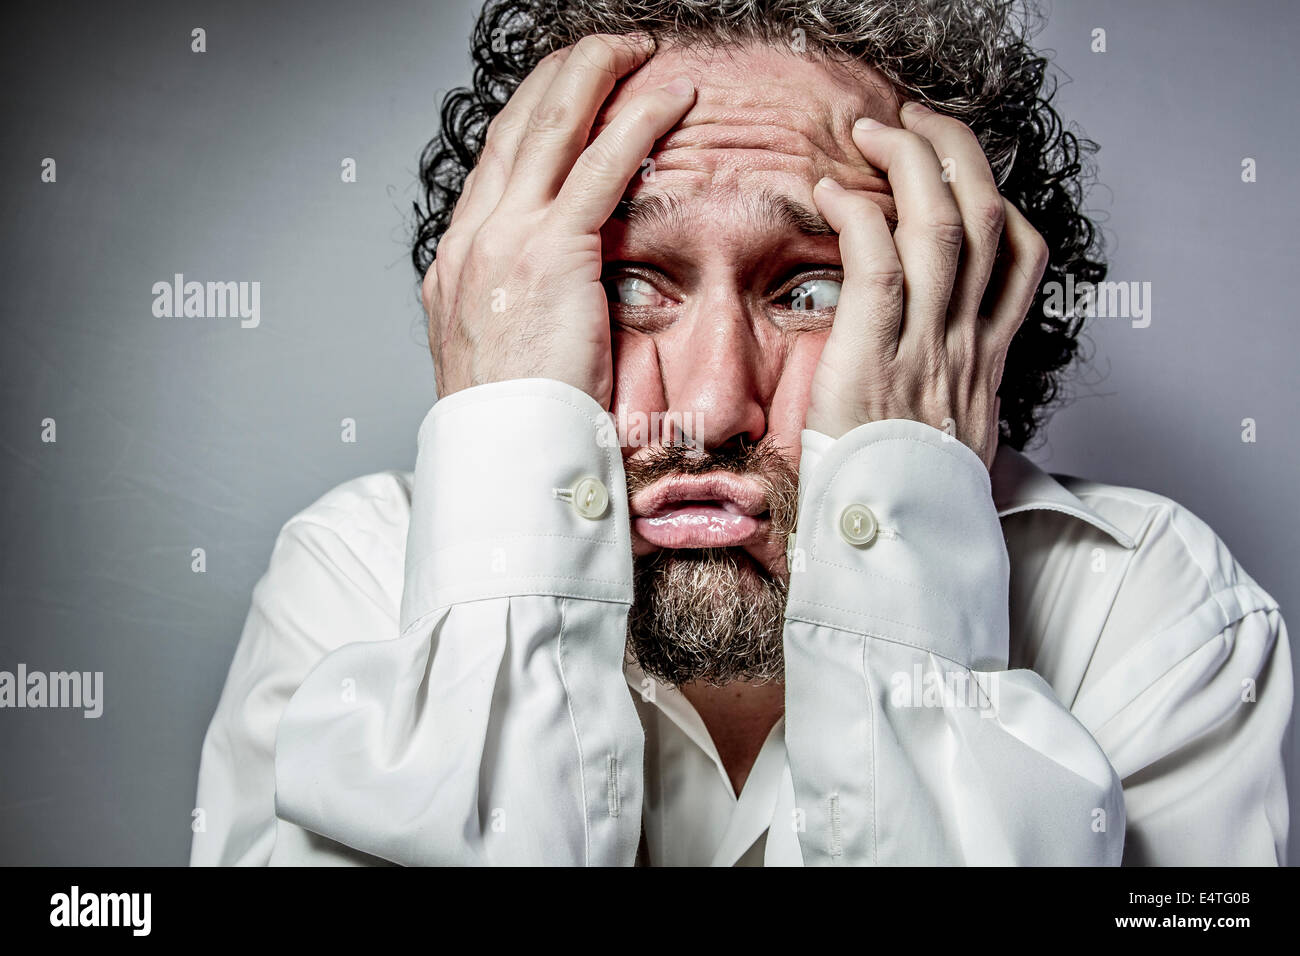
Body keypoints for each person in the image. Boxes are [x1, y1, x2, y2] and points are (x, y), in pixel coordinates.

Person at [191, 0, 1290, 866]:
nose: (713, 409)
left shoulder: (1153, 615)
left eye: (811, 290)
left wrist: (902, 568)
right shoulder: (353, 582)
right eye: (629, 281)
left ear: (954, 305)